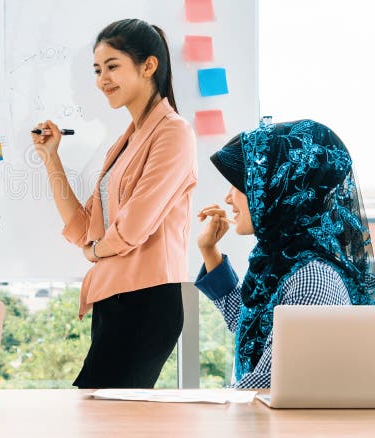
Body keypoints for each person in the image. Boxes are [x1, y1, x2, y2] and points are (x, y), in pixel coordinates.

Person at [32, 19, 197, 388]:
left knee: (103, 416)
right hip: (113, 298)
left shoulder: (173, 132)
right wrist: (50, 158)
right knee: (103, 417)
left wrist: (94, 253)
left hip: (146, 300)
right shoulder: (122, 144)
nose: (101, 79)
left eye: (112, 67)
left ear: (148, 66)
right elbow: (82, 226)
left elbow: (132, 229)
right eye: (96, 70)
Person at [195, 119, 373, 388]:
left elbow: (268, 384)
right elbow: (246, 325)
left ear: (277, 191)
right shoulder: (282, 259)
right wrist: (209, 250)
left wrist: (200, 410)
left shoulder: (312, 277)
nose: (228, 198)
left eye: (240, 185)